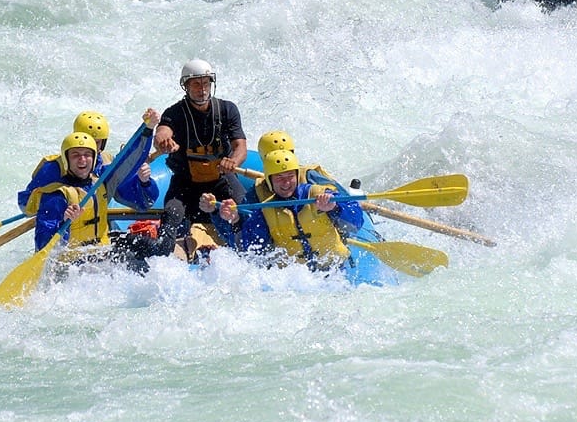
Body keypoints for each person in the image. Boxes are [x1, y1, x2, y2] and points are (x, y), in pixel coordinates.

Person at [24, 110, 182, 273]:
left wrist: (144, 182)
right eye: (77, 154)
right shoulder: (56, 191)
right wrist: (63, 220)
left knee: (148, 248)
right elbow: (42, 238)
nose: (83, 159)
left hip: (99, 246)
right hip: (72, 257)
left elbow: (135, 186)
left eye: (92, 149)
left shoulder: (103, 174)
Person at [214, 149, 363, 271]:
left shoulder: (319, 194)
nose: (286, 183)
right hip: (297, 279)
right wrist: (235, 221)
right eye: (279, 178)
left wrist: (334, 208)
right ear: (269, 180)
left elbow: (356, 223)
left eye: (290, 176)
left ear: (297, 176)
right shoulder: (265, 211)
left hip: (335, 271)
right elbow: (248, 252)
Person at [153, 58, 247, 249]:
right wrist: (163, 140)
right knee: (171, 214)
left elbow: (240, 146)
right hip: (186, 183)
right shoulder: (174, 113)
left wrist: (233, 162)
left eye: (205, 83)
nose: (202, 89)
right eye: (196, 84)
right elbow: (162, 131)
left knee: (243, 210)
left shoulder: (228, 109)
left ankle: (246, 250)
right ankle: (165, 253)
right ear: (186, 86)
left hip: (221, 179)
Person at [18, 110, 158, 213]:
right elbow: (25, 204)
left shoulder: (106, 166)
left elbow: (143, 203)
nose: (90, 149)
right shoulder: (52, 168)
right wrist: (55, 205)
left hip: (98, 238)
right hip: (66, 235)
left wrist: (144, 183)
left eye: (96, 143)